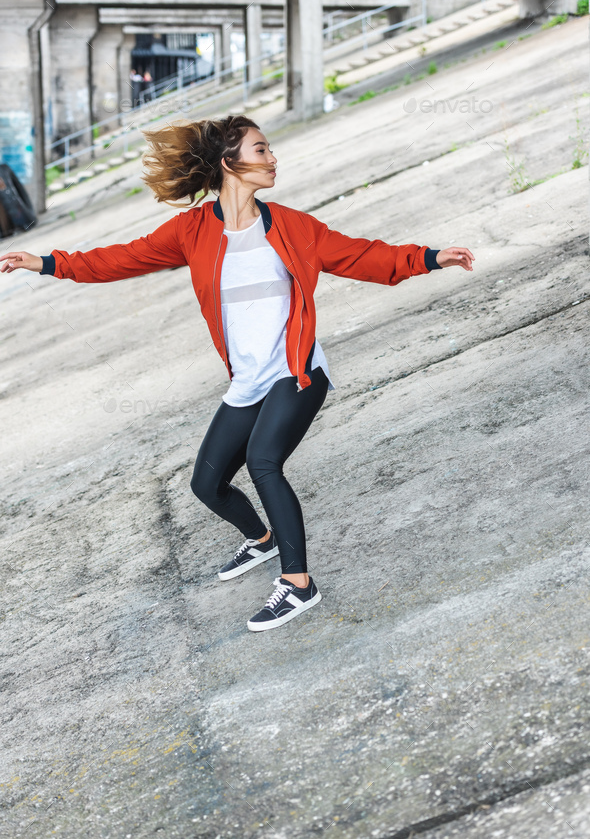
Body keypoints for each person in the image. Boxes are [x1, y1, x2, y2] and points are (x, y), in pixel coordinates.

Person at [0, 115, 475, 633]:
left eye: (269, 150)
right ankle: (263, 540)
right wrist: (46, 262)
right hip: (248, 380)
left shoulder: (292, 226)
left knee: (263, 461)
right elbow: (123, 259)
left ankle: (298, 584)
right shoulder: (192, 230)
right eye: (261, 150)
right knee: (206, 484)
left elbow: (362, 255)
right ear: (230, 163)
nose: (273, 159)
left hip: (296, 371)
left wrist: (429, 257)